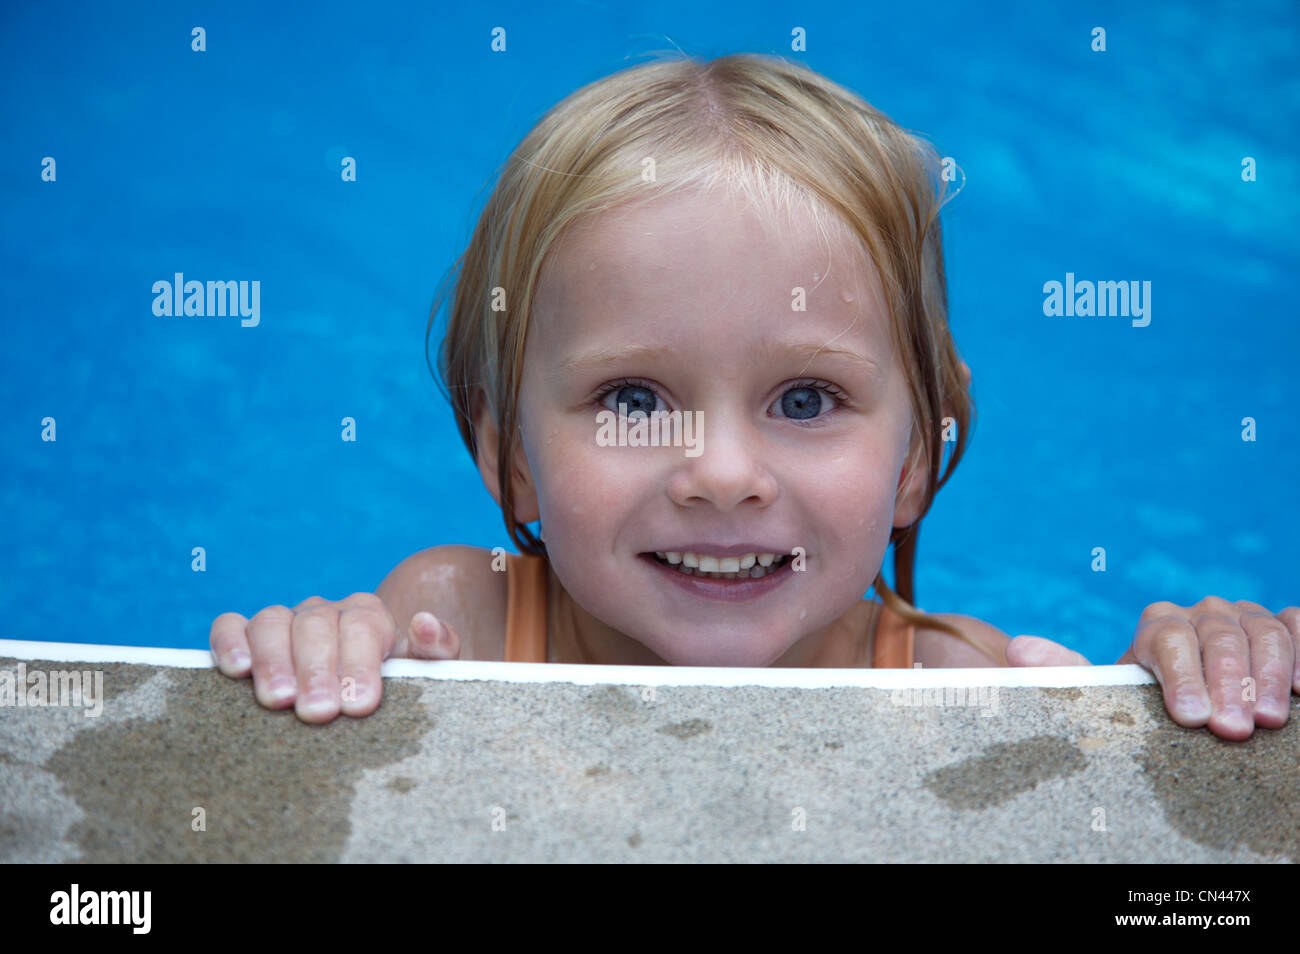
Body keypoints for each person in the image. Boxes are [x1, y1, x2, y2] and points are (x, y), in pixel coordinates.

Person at [209, 53, 1298, 739]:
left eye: (808, 399)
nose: (722, 475)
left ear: (920, 452)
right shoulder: (462, 615)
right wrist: (324, 654)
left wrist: (1191, 671)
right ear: (511, 457)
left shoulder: (952, 683)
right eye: (633, 401)